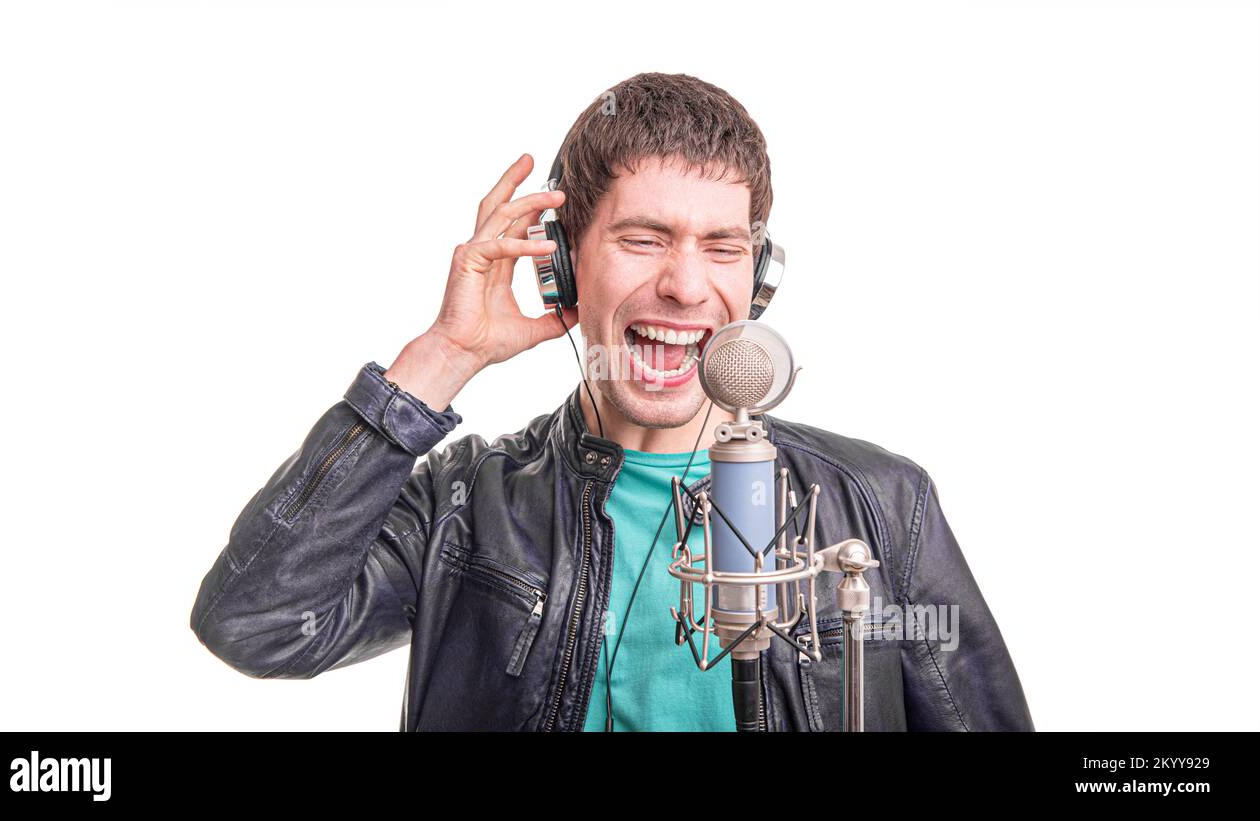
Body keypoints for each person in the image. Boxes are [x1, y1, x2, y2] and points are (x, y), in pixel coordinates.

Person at [190, 72, 1033, 732]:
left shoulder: (881, 505)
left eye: (721, 246)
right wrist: (439, 361)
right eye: (644, 238)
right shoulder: (465, 504)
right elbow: (254, 623)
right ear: (560, 265)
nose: (686, 284)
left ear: (758, 278)